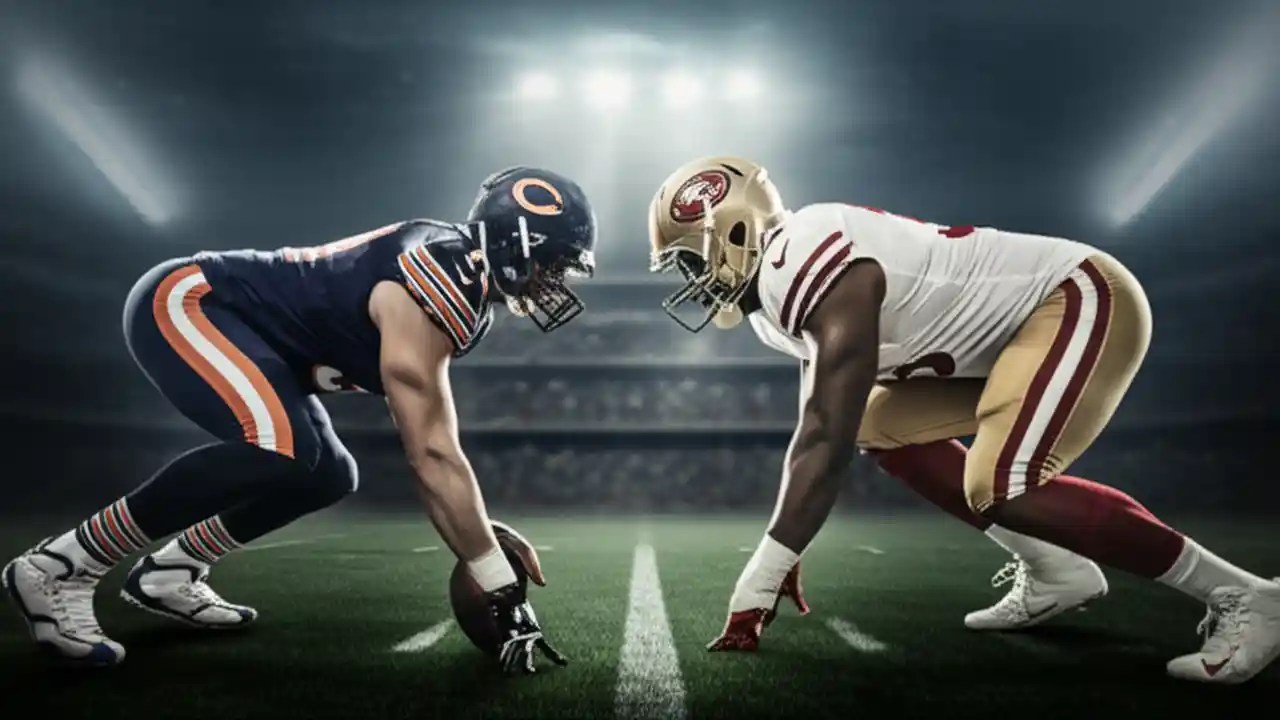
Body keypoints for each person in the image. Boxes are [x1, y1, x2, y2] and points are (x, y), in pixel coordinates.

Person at [645, 155, 1280, 684]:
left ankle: (1248, 595)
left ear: (730, 231)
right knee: (874, 424)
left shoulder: (802, 255)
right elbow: (827, 417)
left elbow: (822, 436)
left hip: (1078, 298)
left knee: (1001, 483)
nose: (693, 280)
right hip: (1002, 344)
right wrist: (788, 538)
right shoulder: (774, 301)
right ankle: (1058, 569)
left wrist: (767, 567)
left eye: (690, 260)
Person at [3, 166, 593, 675]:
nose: (556, 280)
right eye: (556, 261)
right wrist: (492, 572)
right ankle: (60, 565)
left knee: (327, 474)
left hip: (259, 342)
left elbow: (429, 445)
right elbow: (432, 453)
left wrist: (475, 530)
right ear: (519, 242)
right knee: (276, 447)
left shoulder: (461, 288)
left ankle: (170, 572)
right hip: (192, 302)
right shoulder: (439, 279)